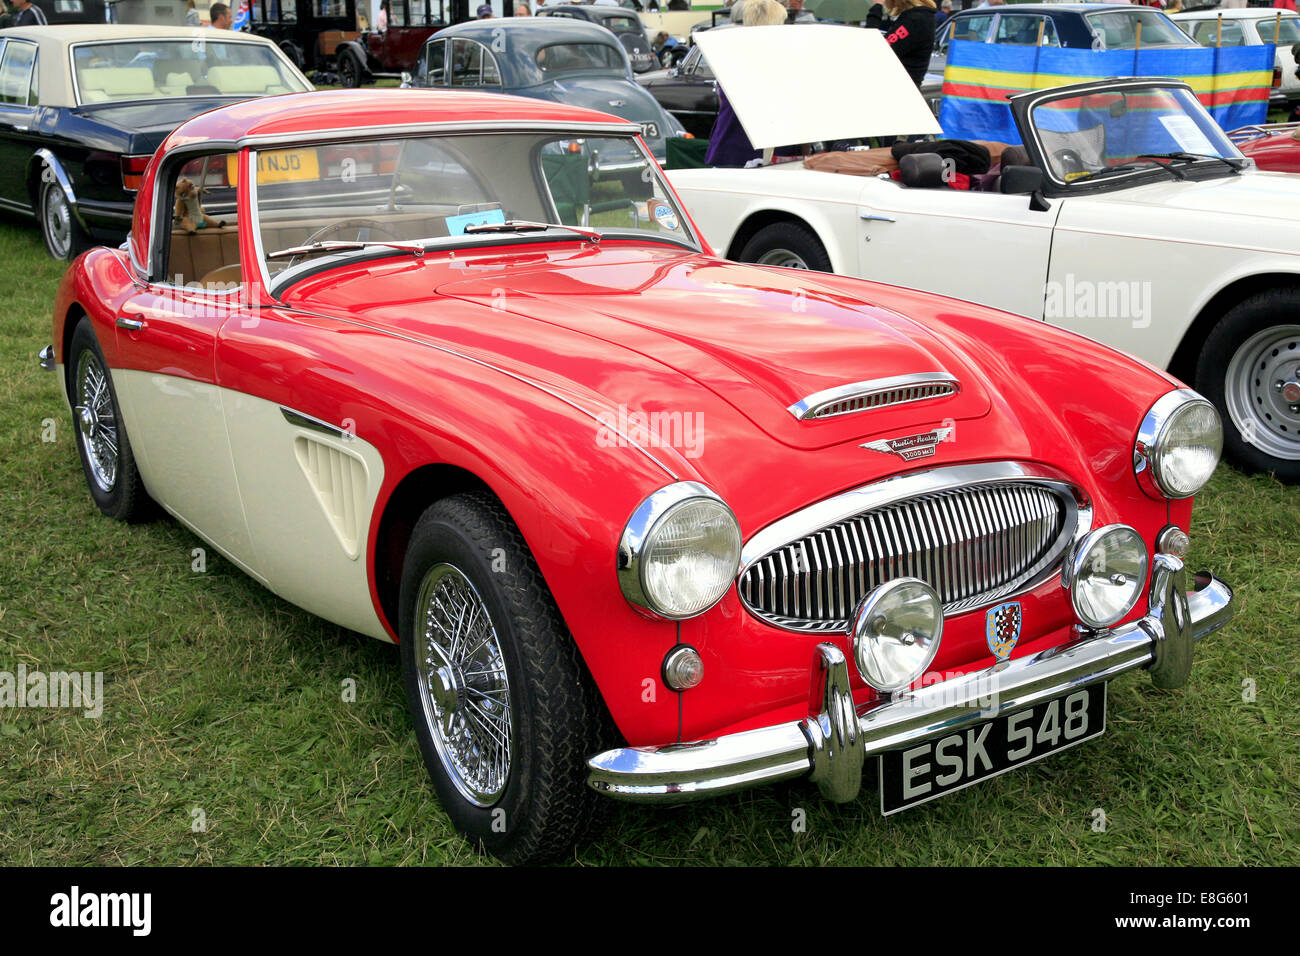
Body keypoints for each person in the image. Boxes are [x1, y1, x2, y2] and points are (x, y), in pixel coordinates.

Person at [705, 0, 790, 168]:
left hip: (729, 146)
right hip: (774, 148)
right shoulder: (785, 59)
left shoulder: (731, 55)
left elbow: (724, 101)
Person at [866, 0, 937, 88]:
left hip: (900, 92)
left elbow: (874, 51)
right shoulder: (920, 17)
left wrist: (876, 8)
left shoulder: (914, 20)